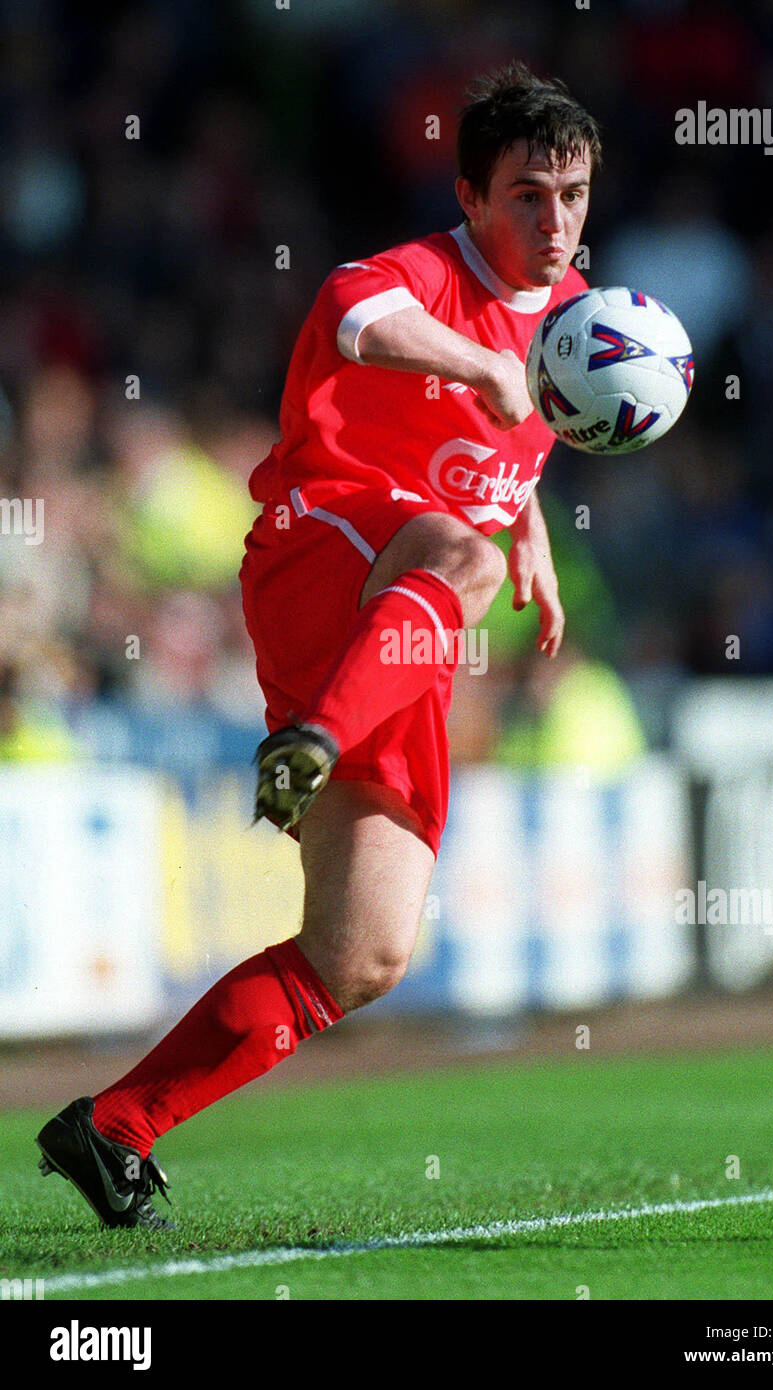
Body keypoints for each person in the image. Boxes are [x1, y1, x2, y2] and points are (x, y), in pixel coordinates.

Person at [35, 62, 601, 1229]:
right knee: (462, 559)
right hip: (321, 539)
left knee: (363, 953)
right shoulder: (425, 274)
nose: (553, 224)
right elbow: (353, 311)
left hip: (399, 628)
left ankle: (111, 1125)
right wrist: (478, 366)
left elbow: (502, 448)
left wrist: (531, 526)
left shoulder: (573, 313)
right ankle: (308, 738)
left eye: (574, 194)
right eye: (527, 196)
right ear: (469, 194)